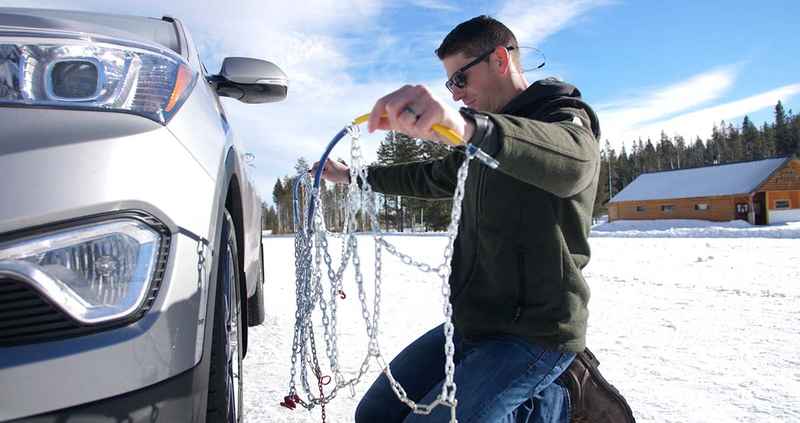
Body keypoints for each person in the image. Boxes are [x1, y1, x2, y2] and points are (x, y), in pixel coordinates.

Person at [313, 15, 628, 423]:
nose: (457, 94)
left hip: (537, 333)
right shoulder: (479, 140)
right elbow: (429, 176)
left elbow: (575, 164)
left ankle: (558, 404)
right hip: (474, 322)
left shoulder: (563, 116)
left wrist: (467, 127)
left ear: (500, 59)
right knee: (375, 414)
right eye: (450, 86)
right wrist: (351, 176)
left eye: (461, 79)